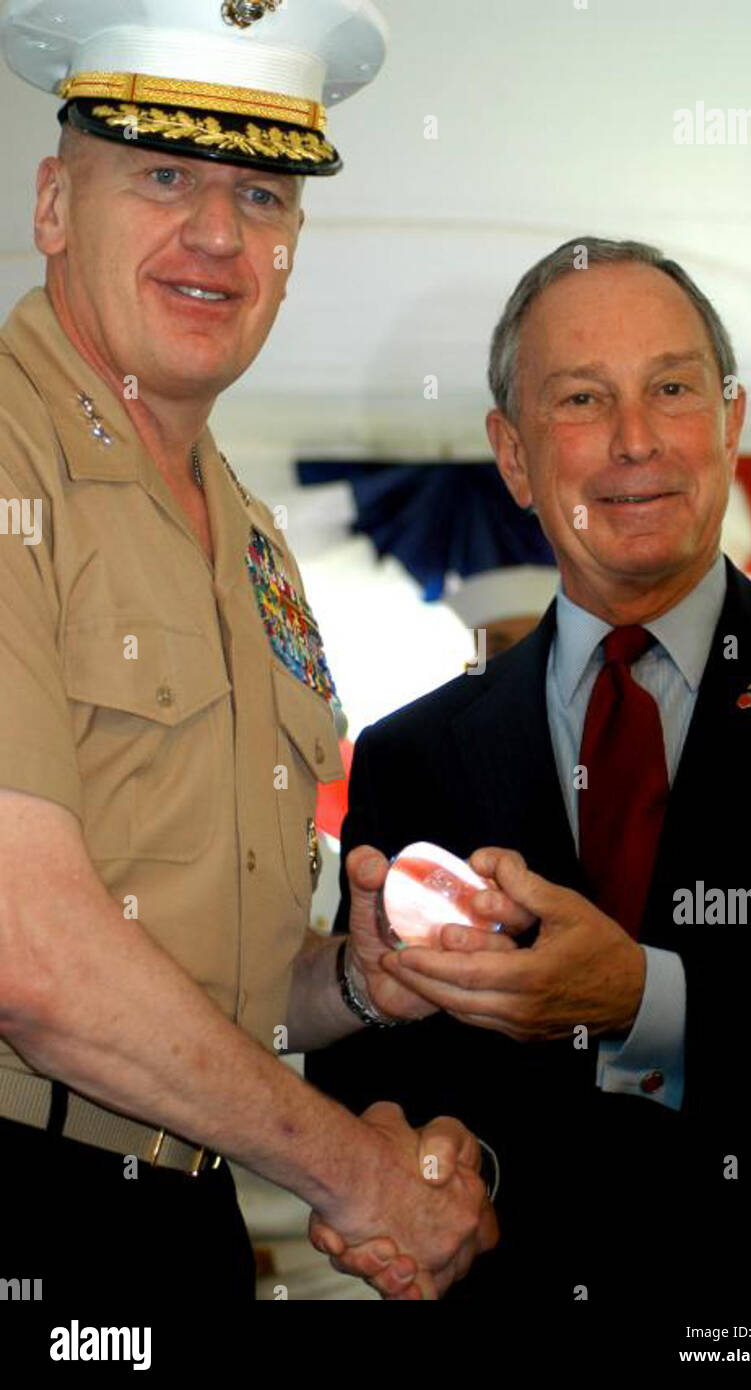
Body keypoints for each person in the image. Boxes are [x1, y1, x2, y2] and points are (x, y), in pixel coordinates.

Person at [0, 0, 500, 1305]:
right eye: (165, 174)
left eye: (265, 193)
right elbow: (28, 955)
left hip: (177, 1215)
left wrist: (356, 976)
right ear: (55, 202)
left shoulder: (255, 537)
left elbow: (218, 985)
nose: (219, 234)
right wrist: (358, 1170)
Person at [306, 236, 751, 1309]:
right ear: (513, 456)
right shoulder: (412, 754)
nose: (636, 440)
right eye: (581, 399)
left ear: (732, 421)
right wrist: (402, 1149)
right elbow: (373, 1056)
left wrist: (646, 1001)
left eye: (671, 387)